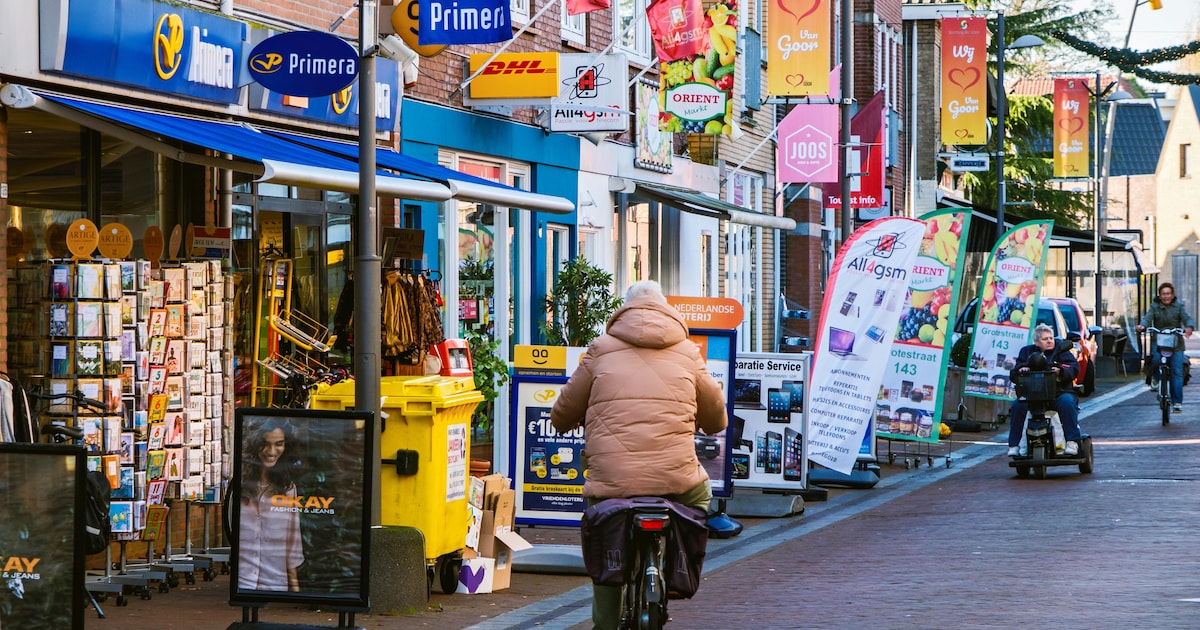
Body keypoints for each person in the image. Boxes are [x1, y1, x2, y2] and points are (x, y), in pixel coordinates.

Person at [550, 280, 728, 630]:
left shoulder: (601, 349)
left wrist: (568, 420)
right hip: (676, 479)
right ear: (666, 310)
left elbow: (562, 412)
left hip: (612, 482)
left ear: (625, 309)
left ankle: (605, 622)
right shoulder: (688, 352)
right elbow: (717, 417)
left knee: (602, 532)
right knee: (701, 498)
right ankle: (673, 568)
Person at [238, 417, 304, 592]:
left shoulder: (288, 488)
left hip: (274, 581)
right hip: (242, 580)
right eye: (265, 444)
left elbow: (292, 538)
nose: (271, 451)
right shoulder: (241, 484)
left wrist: (294, 586)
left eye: (279, 444)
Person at [1007, 323, 1082, 457]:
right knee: (1017, 406)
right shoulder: (1026, 352)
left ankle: (1072, 441)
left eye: (1051, 338)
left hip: (1058, 393)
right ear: (1036, 342)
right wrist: (1021, 370)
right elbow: (1014, 372)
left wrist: (1061, 371)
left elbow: (1074, 368)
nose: (1049, 341)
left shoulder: (1061, 350)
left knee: (1067, 402)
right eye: (1045, 339)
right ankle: (1015, 444)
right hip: (1032, 396)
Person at [1137, 282, 1195, 412]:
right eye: (1163, 294)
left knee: (1177, 372)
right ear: (1160, 295)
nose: (1166, 296)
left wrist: (1189, 327)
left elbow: (1186, 318)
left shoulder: (1179, 307)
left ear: (1172, 295)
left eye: (1168, 294)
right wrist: (1142, 326)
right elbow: (1147, 318)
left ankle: (1177, 402)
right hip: (1159, 343)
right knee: (1156, 361)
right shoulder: (1154, 306)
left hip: (1176, 345)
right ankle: (1156, 379)